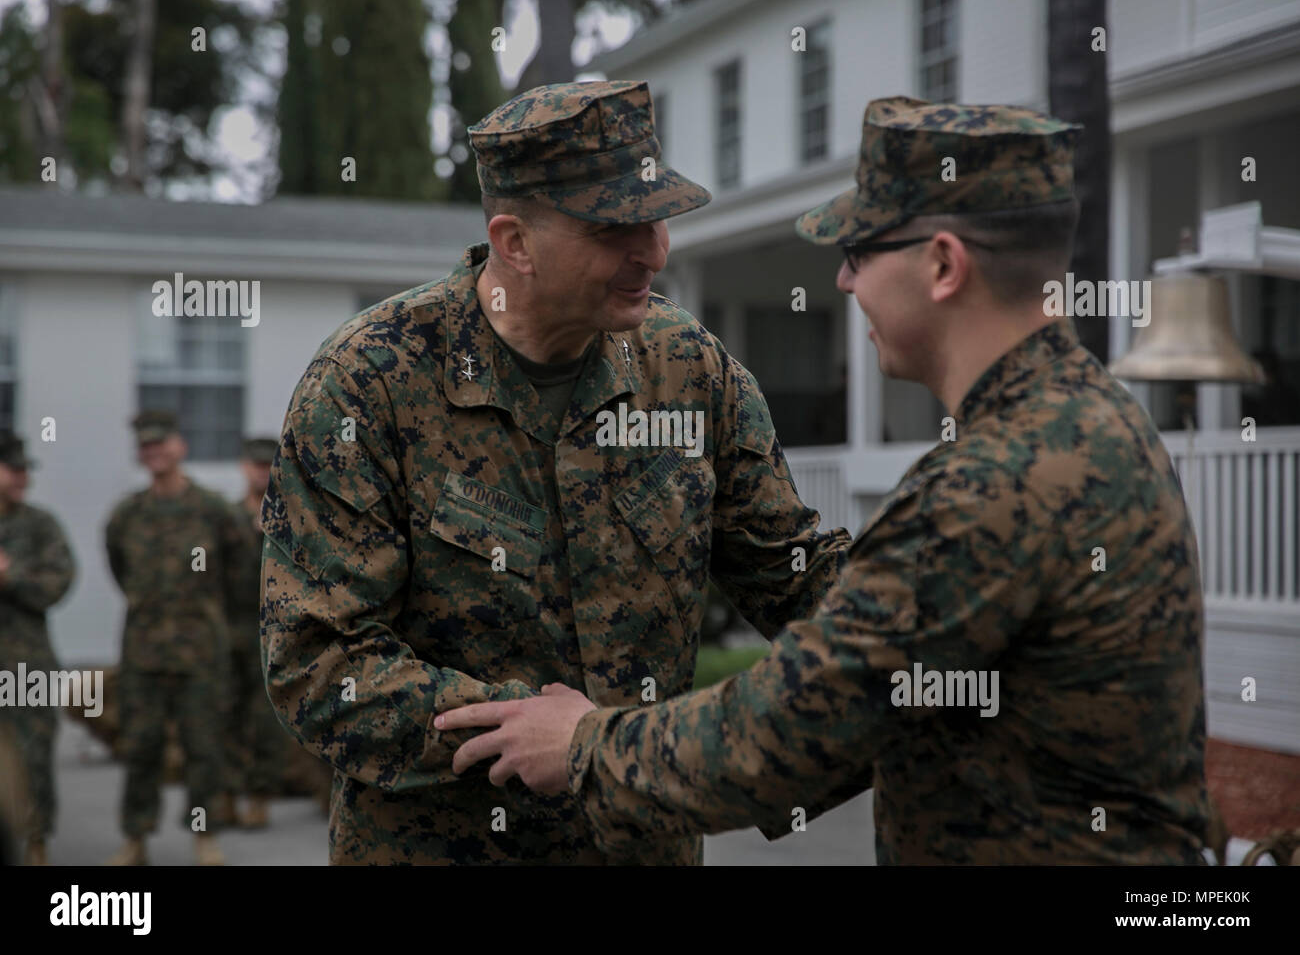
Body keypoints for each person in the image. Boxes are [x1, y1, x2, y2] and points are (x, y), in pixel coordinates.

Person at [437, 96, 1212, 865]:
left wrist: (583, 746)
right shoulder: (1100, 421)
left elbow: (796, 726)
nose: (844, 282)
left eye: (860, 252)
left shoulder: (996, 484)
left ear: (943, 264)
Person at [260, 79, 851, 865]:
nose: (653, 251)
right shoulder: (372, 382)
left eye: (658, 218)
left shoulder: (690, 372)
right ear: (515, 244)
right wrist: (525, 730)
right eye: (616, 228)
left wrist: (943, 621)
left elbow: (793, 576)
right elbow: (316, 662)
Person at [105, 410, 246, 866]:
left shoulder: (213, 509)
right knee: (140, 747)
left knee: (204, 748)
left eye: (161, 443)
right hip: (144, 652)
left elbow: (241, 571)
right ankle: (135, 837)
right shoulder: (127, 514)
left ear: (180, 447)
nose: (155, 452)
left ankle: (204, 836)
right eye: (146, 446)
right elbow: (120, 569)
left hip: (201, 651)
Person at [0, 431, 75, 865]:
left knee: (33, 756)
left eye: (25, 469)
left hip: (27, 663)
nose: (22, 477)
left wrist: (11, 577)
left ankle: (35, 843)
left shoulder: (39, 524)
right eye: (13, 468)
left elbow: (57, 581)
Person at [215, 437, 285, 829]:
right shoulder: (225, 516)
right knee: (225, 711)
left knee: (265, 718)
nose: (261, 470)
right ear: (244, 467)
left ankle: (259, 795)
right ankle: (225, 792)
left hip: (272, 628)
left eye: (268, 464)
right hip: (230, 624)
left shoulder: (290, 515)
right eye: (255, 464)